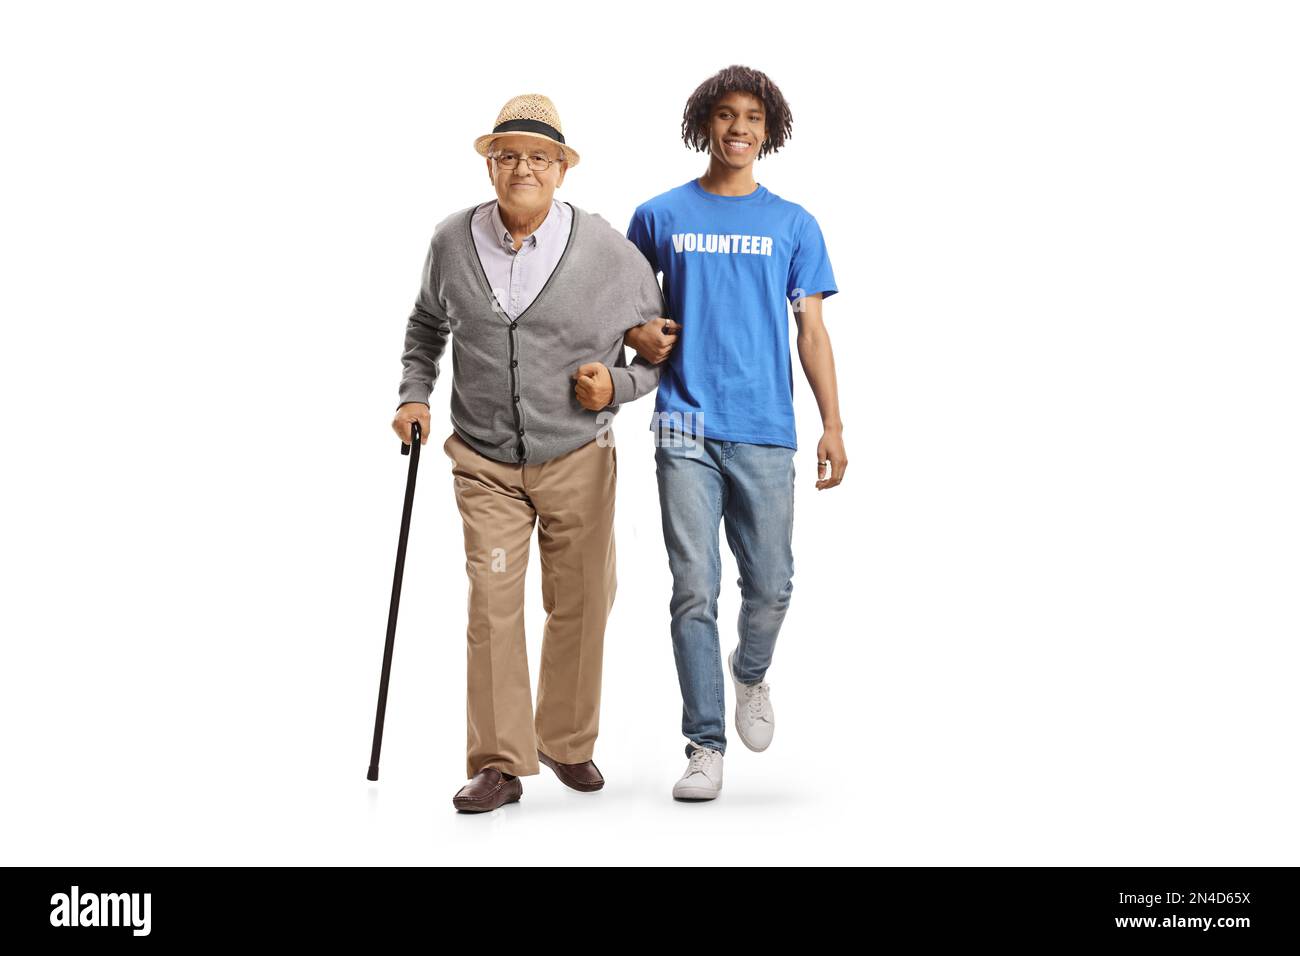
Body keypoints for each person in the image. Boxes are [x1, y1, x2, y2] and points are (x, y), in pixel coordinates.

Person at [392, 93, 671, 813]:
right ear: (490, 165)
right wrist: (413, 395)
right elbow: (426, 324)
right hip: (484, 459)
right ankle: (499, 763)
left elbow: (662, 348)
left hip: (577, 454)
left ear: (560, 171)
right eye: (508, 154)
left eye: (538, 157)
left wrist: (616, 382)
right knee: (491, 601)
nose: (523, 168)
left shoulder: (608, 251)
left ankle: (567, 741)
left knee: (581, 600)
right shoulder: (451, 241)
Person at [624, 66, 848, 801]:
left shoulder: (794, 224)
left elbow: (810, 330)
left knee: (773, 585)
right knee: (694, 589)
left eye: (753, 116)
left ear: (770, 129)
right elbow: (623, 310)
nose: (739, 128)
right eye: (725, 115)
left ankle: (749, 672)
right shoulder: (660, 216)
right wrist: (639, 335)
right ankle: (704, 744)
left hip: (765, 427)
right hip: (683, 422)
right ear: (704, 124)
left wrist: (833, 425)